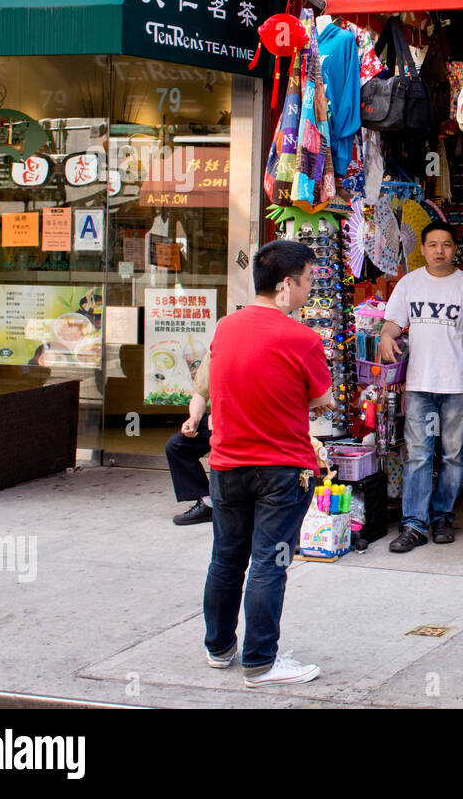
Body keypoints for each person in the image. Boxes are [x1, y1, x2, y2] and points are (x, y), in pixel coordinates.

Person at [202, 240, 333, 687]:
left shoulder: (225, 328)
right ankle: (260, 660)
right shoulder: (302, 337)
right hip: (281, 467)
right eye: (309, 280)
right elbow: (323, 400)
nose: (311, 289)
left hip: (226, 464)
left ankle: (219, 647)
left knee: (225, 559)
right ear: (285, 285)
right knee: (268, 562)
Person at [380, 221, 463, 553]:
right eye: (433, 245)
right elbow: (392, 323)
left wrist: (455, 347)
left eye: (446, 244)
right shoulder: (409, 284)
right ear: (423, 248)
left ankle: (442, 515)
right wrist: (387, 336)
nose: (439, 251)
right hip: (419, 384)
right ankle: (414, 524)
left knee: (453, 455)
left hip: (458, 384)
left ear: (454, 248)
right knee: (418, 454)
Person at [167, 351, 213, 525]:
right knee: (178, 445)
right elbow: (200, 394)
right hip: (222, 420)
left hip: (256, 422)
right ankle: (208, 503)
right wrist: (193, 418)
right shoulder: (215, 351)